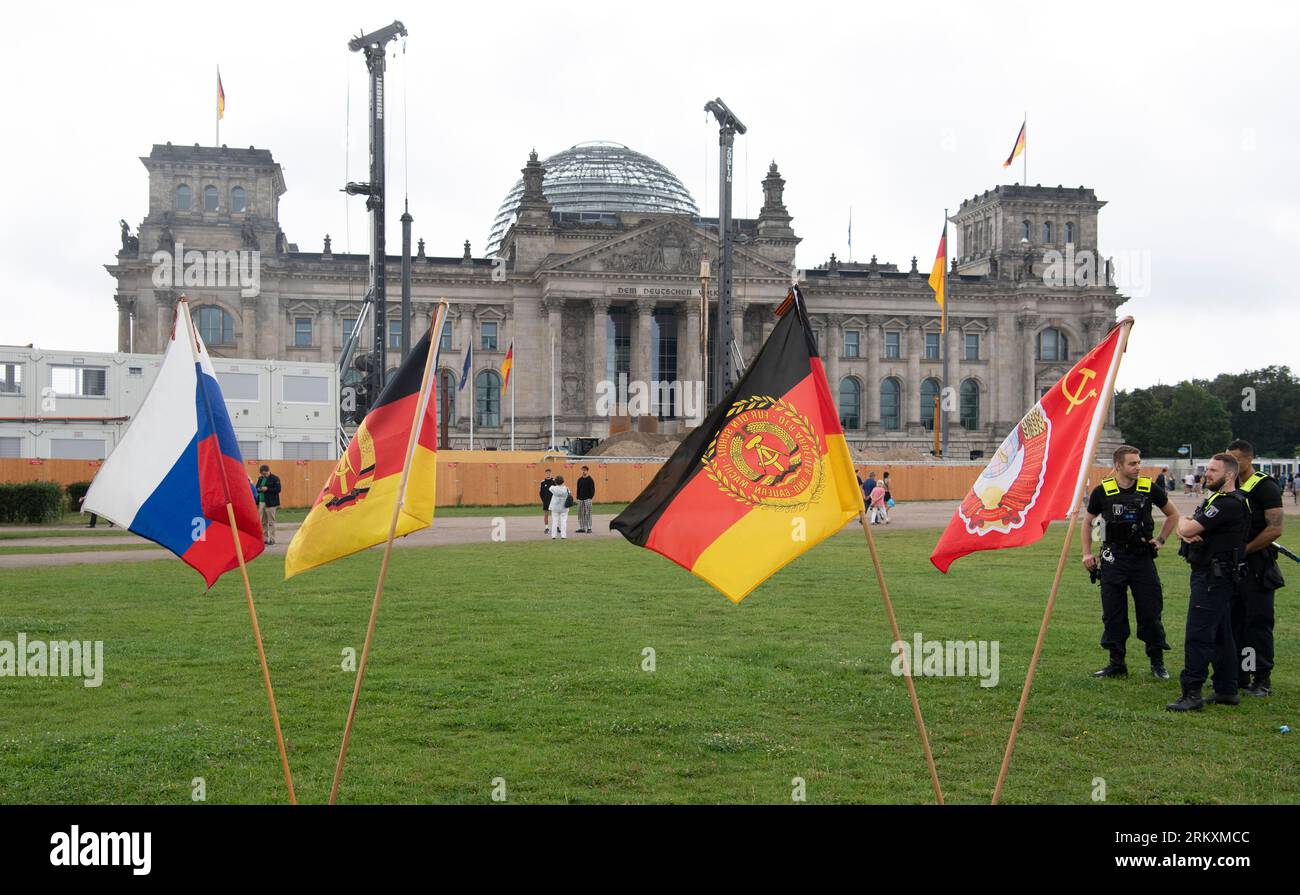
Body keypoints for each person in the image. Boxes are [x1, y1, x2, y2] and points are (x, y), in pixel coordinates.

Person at [1081, 445, 1179, 679]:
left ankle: (1157, 662)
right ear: (1118, 466)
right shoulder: (1102, 491)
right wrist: (1087, 553)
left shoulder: (1148, 487)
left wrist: (1161, 539)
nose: (1138, 467)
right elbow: (1087, 522)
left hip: (1142, 559)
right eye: (1132, 463)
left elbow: (1173, 514)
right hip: (1113, 559)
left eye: (1139, 462)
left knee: (1150, 610)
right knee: (1113, 612)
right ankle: (1116, 663)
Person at [1167, 453, 1251, 711]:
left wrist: (1186, 525)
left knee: (1199, 633)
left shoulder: (1227, 503)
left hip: (1213, 578)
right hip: (1218, 576)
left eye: (1213, 471)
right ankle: (1227, 689)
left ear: (1229, 475)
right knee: (1222, 634)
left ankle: (1191, 692)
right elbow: (1186, 525)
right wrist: (1186, 524)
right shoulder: (1223, 500)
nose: (1207, 474)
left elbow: (1189, 528)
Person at [1226, 439, 1286, 697]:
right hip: (1231, 567)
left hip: (1257, 566)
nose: (1231, 466)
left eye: (1236, 461)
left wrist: (1246, 549)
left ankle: (1260, 678)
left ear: (1249, 459)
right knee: (1233, 622)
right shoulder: (1229, 485)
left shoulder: (1265, 486)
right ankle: (1238, 674)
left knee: (1256, 624)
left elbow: (1275, 528)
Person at [255, 465, 281, 545]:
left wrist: (267, 489)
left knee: (271, 522)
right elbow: (257, 488)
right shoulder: (260, 478)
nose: (264, 475)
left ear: (268, 471)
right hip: (262, 502)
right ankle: (265, 539)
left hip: (271, 503)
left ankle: (272, 540)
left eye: (265, 474)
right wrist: (259, 489)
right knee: (263, 522)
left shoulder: (275, 478)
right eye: (262, 474)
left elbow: (278, 489)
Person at [548, 475, 572, 540]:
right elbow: (569, 493)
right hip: (564, 507)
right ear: (563, 481)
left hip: (555, 507)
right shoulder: (566, 488)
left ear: (556, 482)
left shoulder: (553, 488)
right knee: (564, 521)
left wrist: (554, 481)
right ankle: (563, 535)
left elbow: (550, 488)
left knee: (554, 521)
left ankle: (553, 535)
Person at [575, 466, 596, 533]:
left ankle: (589, 528)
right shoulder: (579, 480)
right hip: (580, 499)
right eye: (582, 470)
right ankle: (582, 528)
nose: (583, 471)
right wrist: (578, 497)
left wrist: (590, 497)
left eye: (585, 470)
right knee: (580, 514)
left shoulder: (590, 480)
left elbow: (592, 490)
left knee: (588, 513)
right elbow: (578, 489)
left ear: (587, 471)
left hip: (587, 499)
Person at [539, 468, 555, 534]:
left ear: (551, 474)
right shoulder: (542, 482)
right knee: (546, 515)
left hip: (553, 502)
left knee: (554, 515)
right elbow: (540, 493)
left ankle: (556, 527)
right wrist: (544, 500)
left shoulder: (554, 482)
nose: (548, 474)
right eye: (547, 473)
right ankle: (546, 528)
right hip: (546, 502)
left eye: (549, 473)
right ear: (545, 474)